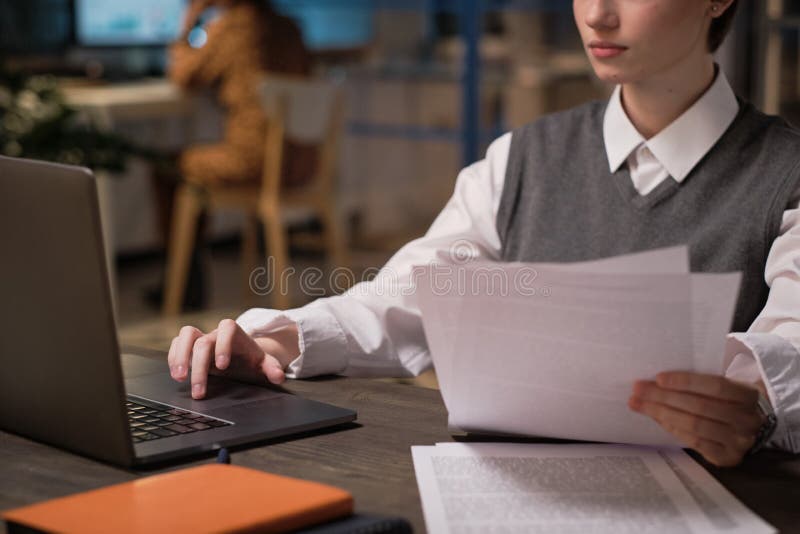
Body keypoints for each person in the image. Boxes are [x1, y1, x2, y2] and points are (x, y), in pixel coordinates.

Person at [168, 0, 800, 467]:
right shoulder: (519, 160)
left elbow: (790, 348)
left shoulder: (784, 174)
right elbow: (411, 298)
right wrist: (279, 340)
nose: (598, 16)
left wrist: (757, 402)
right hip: (518, 495)